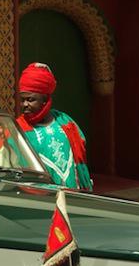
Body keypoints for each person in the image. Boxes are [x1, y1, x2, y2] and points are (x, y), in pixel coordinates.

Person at [15, 63, 93, 191]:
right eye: (22, 99)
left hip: (72, 196)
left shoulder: (65, 122)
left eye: (30, 99)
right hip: (38, 198)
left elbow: (80, 156)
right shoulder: (17, 128)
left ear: (45, 99)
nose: (24, 104)